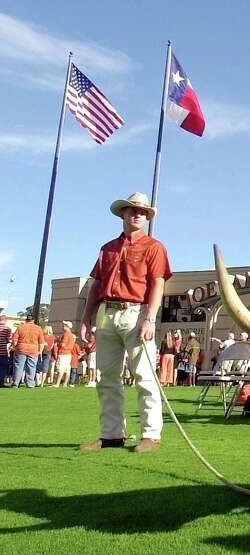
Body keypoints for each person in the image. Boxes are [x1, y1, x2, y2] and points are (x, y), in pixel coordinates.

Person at [78, 192, 172, 453]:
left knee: (144, 375)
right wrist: (86, 318)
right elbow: (96, 285)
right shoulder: (107, 248)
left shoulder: (154, 247)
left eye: (142, 212)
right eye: (132, 210)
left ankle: (151, 435)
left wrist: (150, 318)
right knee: (107, 376)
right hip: (107, 313)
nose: (137, 214)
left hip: (136, 312)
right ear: (123, 214)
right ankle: (111, 435)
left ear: (147, 217)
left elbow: (158, 283)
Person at [11, 315, 45, 388]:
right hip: (33, 349)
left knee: (19, 366)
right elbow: (41, 342)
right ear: (33, 320)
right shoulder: (38, 328)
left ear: (26, 320)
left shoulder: (20, 327)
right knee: (32, 367)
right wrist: (40, 351)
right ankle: (30, 383)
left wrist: (14, 346)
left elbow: (14, 340)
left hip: (21, 349)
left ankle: (16, 383)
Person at [52, 320, 76, 387]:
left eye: (64, 325)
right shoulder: (70, 334)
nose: (63, 326)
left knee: (60, 368)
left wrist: (57, 343)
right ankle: (65, 384)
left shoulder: (66, 334)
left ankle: (57, 383)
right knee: (67, 369)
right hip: (68, 354)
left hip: (63, 353)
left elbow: (63, 344)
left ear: (67, 326)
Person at [0, 314, 12, 387]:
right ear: (5, 320)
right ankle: (0, 382)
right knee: (2, 367)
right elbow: (9, 340)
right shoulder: (7, 329)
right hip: (3, 351)